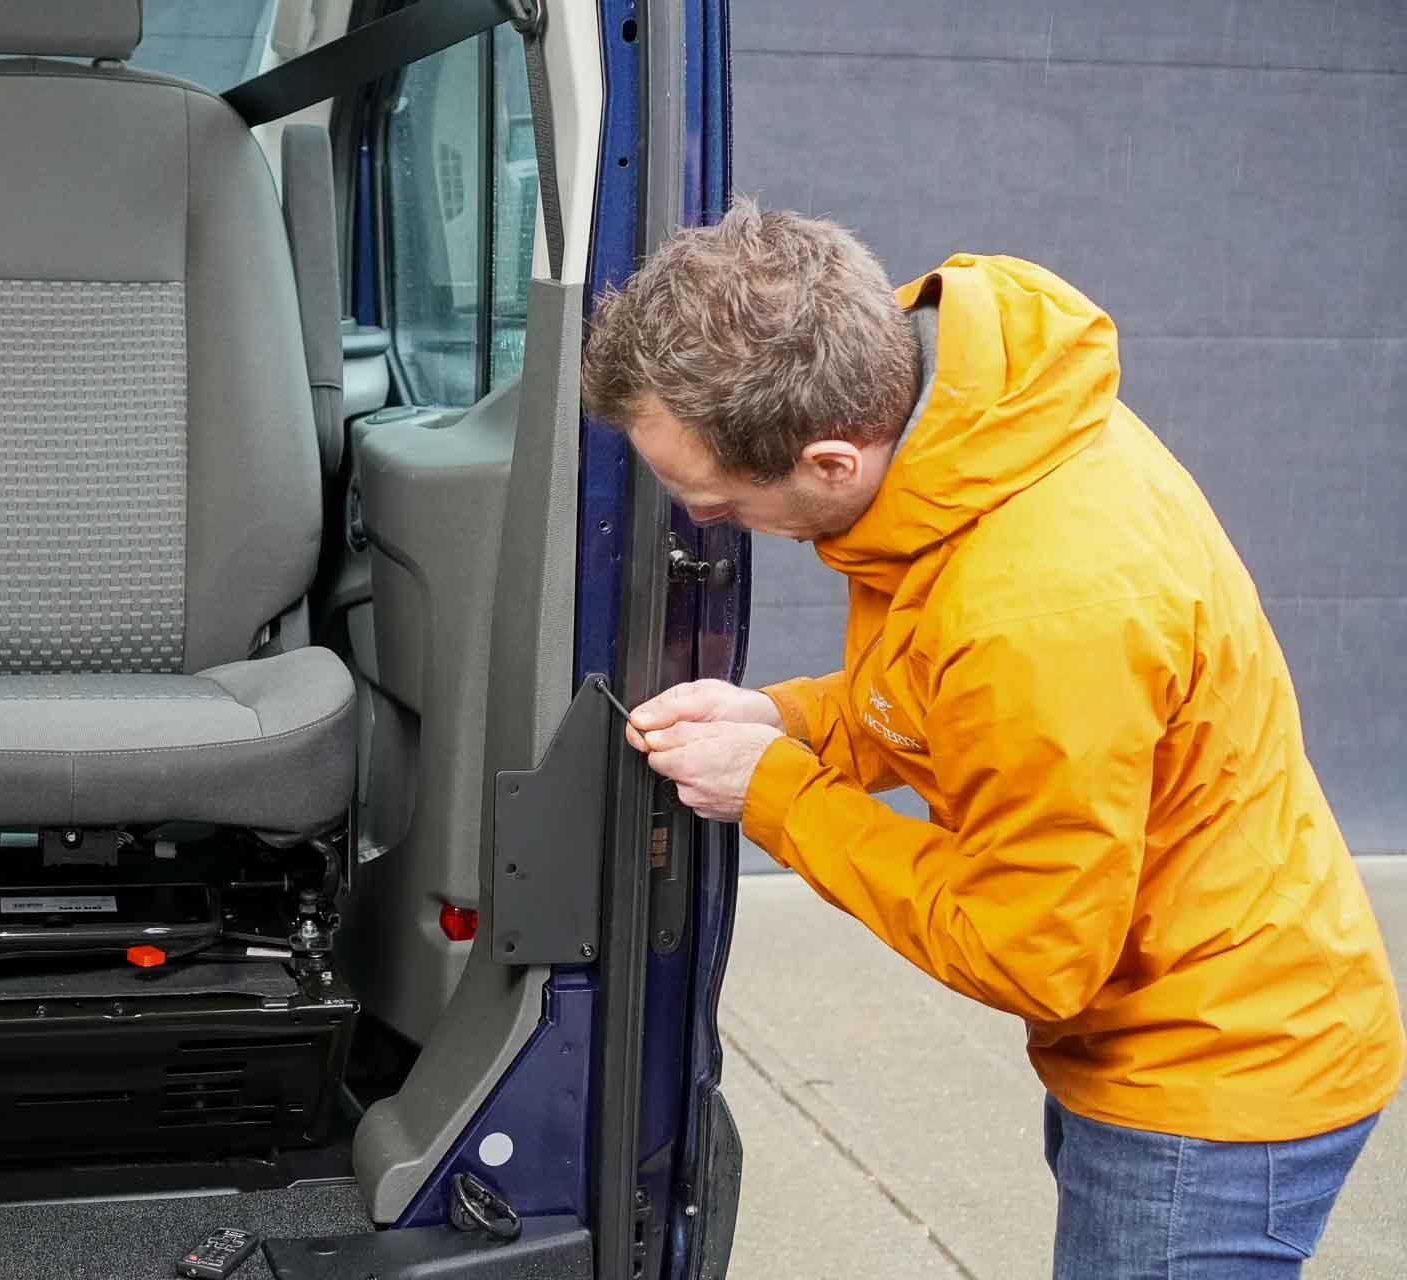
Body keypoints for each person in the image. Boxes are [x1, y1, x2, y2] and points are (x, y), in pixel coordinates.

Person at [580, 199, 1404, 1278]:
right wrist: (791, 720)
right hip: (1172, 1019)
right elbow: (949, 682)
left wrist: (783, 793)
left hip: (1211, 1081)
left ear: (832, 463)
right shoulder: (985, 426)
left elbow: (1031, 949)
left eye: (723, 508)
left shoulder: (1045, 606)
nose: (709, 526)